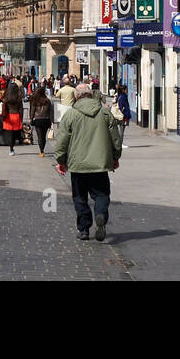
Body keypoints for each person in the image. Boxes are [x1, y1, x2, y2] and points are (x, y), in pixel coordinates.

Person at [53, 84, 123, 241]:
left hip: (78, 165)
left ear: (77, 97)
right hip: (100, 164)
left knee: (80, 197)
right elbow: (115, 139)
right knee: (102, 194)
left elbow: (62, 140)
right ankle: (100, 216)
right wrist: (115, 157)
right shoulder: (105, 113)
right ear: (91, 96)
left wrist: (61, 160)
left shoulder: (70, 115)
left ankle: (84, 229)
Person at [29, 85, 54, 157]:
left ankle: (41, 150)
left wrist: (31, 118)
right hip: (46, 119)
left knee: (39, 136)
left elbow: (32, 111)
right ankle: (42, 148)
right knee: (44, 135)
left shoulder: (35, 101)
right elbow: (50, 111)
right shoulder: (47, 101)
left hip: (38, 119)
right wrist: (51, 120)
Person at [1, 79, 24, 155]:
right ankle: (12, 146)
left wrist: (3, 117)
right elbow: (21, 109)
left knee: (9, 133)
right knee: (14, 133)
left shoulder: (6, 98)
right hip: (16, 115)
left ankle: (11, 148)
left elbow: (4, 109)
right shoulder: (18, 98)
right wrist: (21, 118)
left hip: (9, 116)